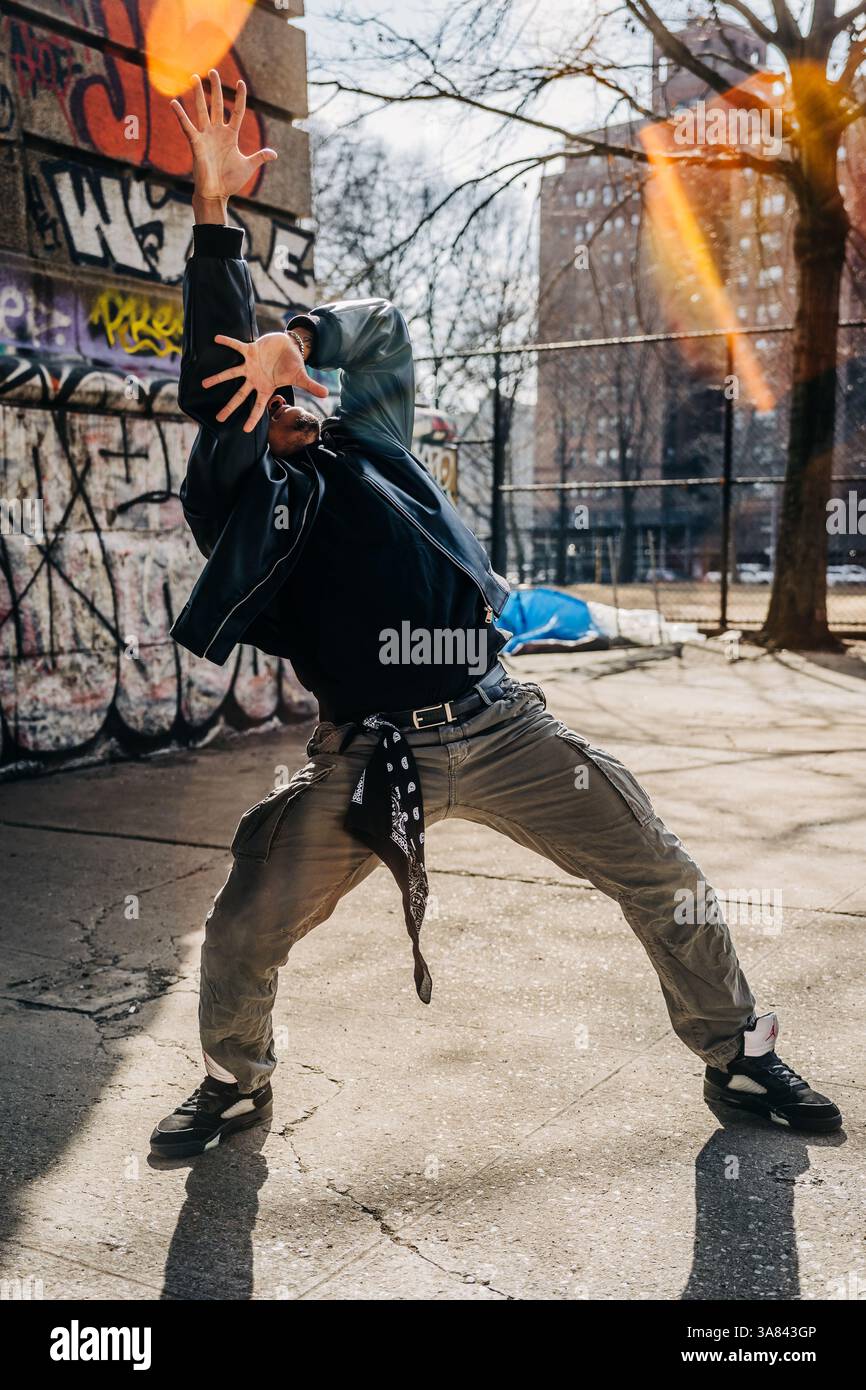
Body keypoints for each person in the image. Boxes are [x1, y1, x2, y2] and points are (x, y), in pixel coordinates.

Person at [150, 71, 841, 1157]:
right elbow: (210, 390)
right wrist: (213, 218)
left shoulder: (368, 440)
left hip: (501, 724)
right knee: (244, 918)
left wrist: (295, 330)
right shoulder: (237, 509)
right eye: (258, 400)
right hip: (367, 757)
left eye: (288, 384)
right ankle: (236, 1079)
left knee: (656, 866)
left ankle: (738, 1052)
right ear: (236, 436)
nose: (282, 399)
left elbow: (375, 327)